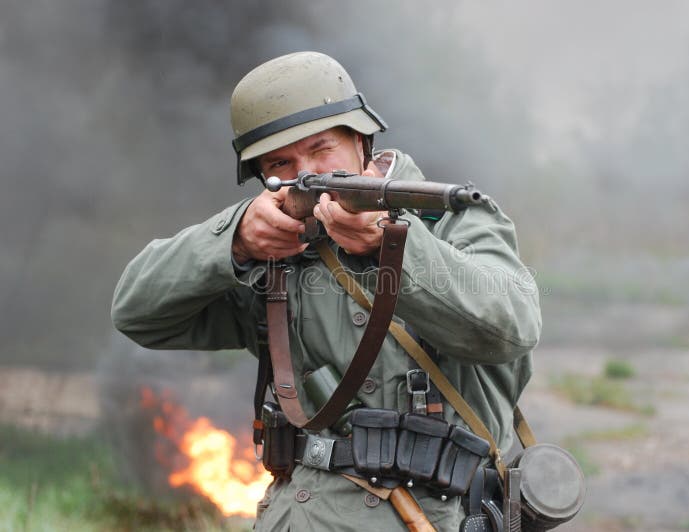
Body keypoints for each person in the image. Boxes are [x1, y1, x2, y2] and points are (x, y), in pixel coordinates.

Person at [111, 51, 541, 531]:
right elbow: (136, 311)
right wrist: (233, 239)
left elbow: (510, 328)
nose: (308, 173)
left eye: (321, 149)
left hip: (435, 517)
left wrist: (393, 246)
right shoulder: (274, 252)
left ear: (360, 140)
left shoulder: (455, 222)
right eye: (282, 162)